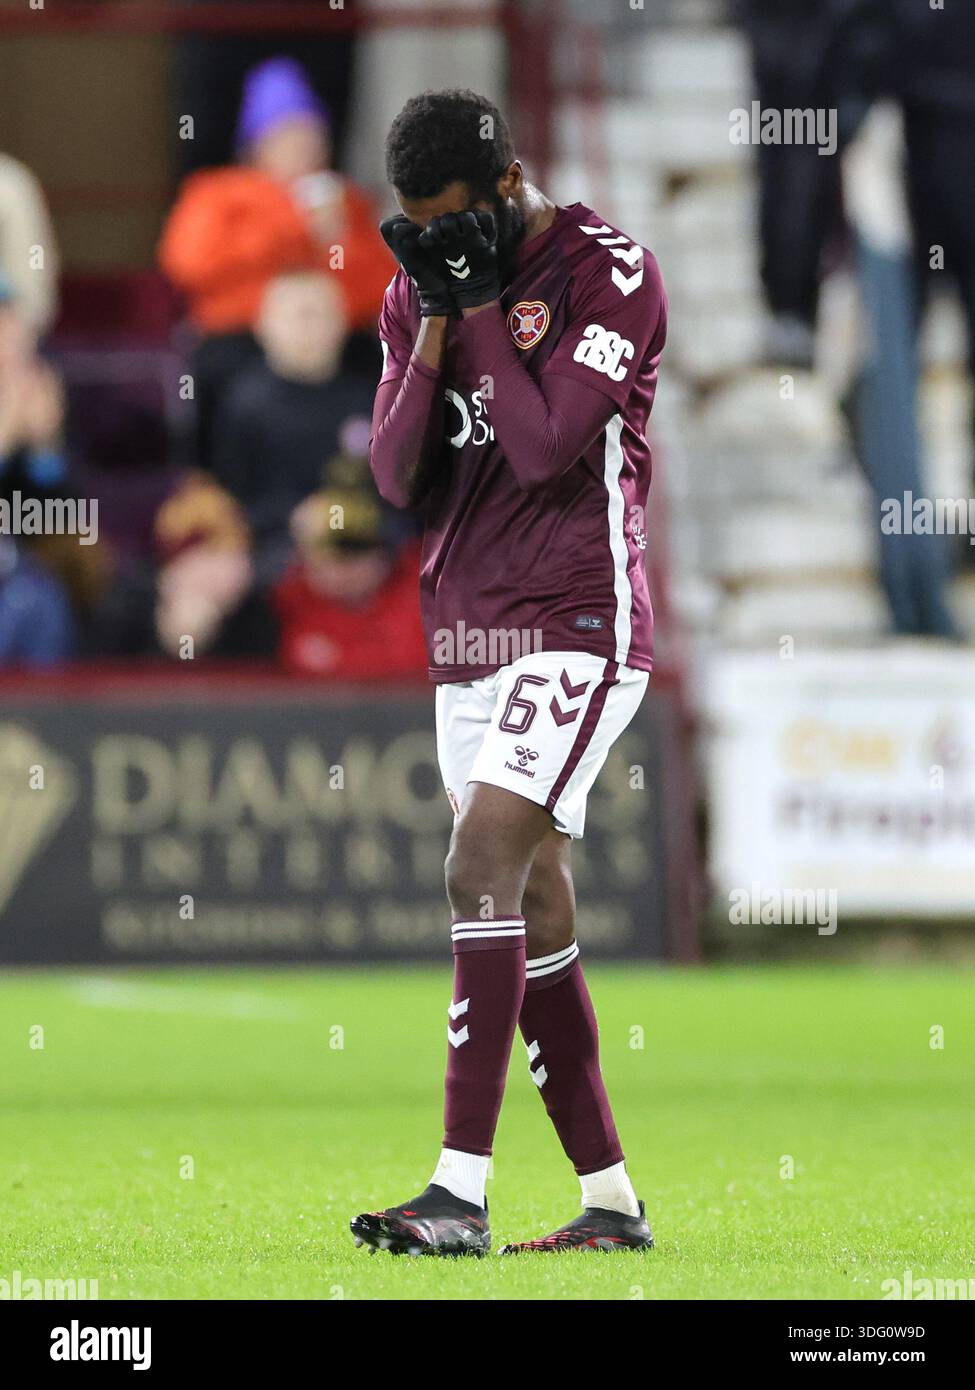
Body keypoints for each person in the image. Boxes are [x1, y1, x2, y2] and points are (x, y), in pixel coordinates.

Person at [352, 90, 667, 1256]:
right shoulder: (416, 289)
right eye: (417, 225)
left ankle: (457, 1193)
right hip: (469, 632)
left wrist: (480, 299)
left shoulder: (610, 274)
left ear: (507, 181)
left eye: (454, 219)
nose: (437, 239)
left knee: (479, 857)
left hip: (581, 615)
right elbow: (393, 473)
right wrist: (436, 316)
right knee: (531, 901)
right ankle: (611, 1204)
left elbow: (541, 452)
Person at [159, 57, 392, 464]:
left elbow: (381, 289)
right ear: (257, 143)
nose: (301, 147)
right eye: (286, 135)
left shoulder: (344, 201)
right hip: (240, 339)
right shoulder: (216, 194)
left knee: (378, 363)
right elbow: (186, 264)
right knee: (220, 374)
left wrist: (337, 238)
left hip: (332, 342)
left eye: (309, 135)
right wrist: (290, 225)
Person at [211, 269, 377, 584]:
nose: (308, 328)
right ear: (263, 326)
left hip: (364, 549)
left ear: (343, 322)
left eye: (319, 315)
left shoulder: (369, 400)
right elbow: (231, 498)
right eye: (296, 316)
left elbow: (396, 493)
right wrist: (294, 517)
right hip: (274, 550)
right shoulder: (244, 404)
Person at [274, 486, 425, 680]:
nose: (346, 568)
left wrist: (338, 659)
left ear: (384, 555)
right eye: (332, 555)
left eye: (358, 551)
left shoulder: (422, 592)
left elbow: (414, 662)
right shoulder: (285, 600)